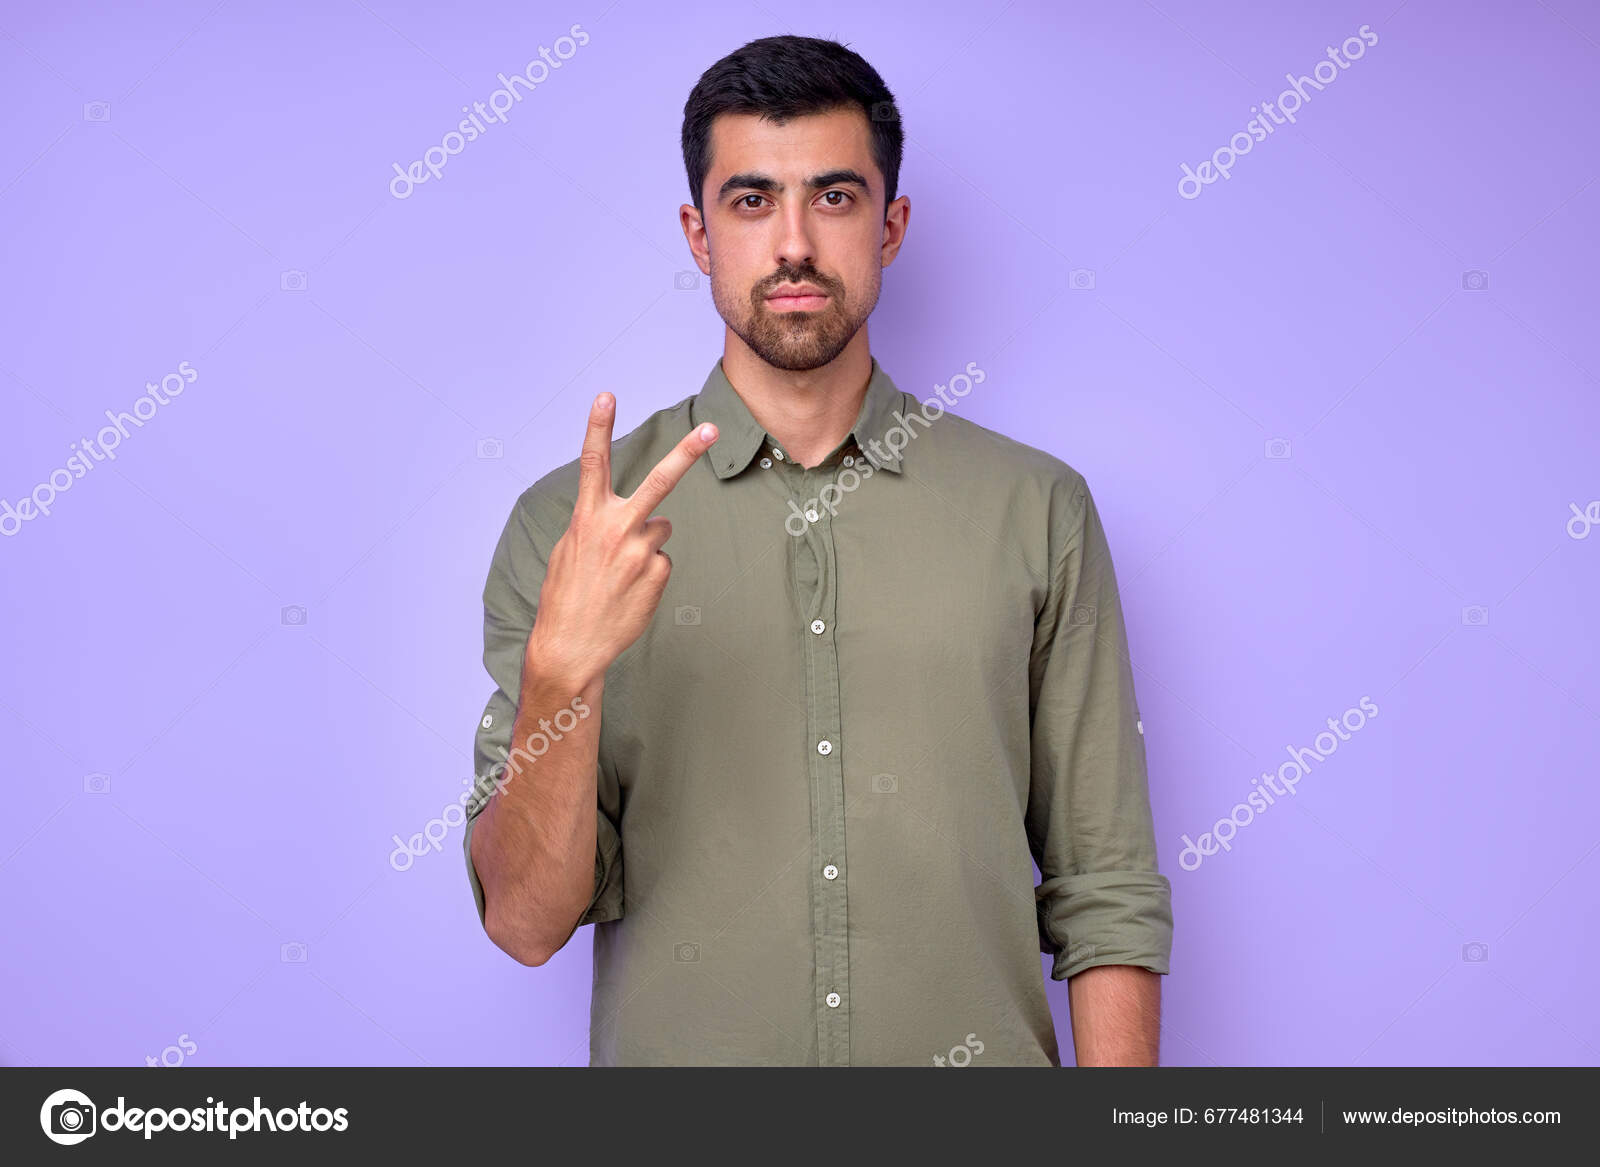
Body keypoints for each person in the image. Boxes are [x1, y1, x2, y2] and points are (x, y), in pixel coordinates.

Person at [463, 34, 1172, 1066]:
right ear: (697, 234)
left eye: (832, 198)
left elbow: (1104, 888)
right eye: (751, 202)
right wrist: (559, 678)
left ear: (890, 227)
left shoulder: (1036, 509)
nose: (792, 242)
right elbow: (524, 924)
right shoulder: (573, 527)